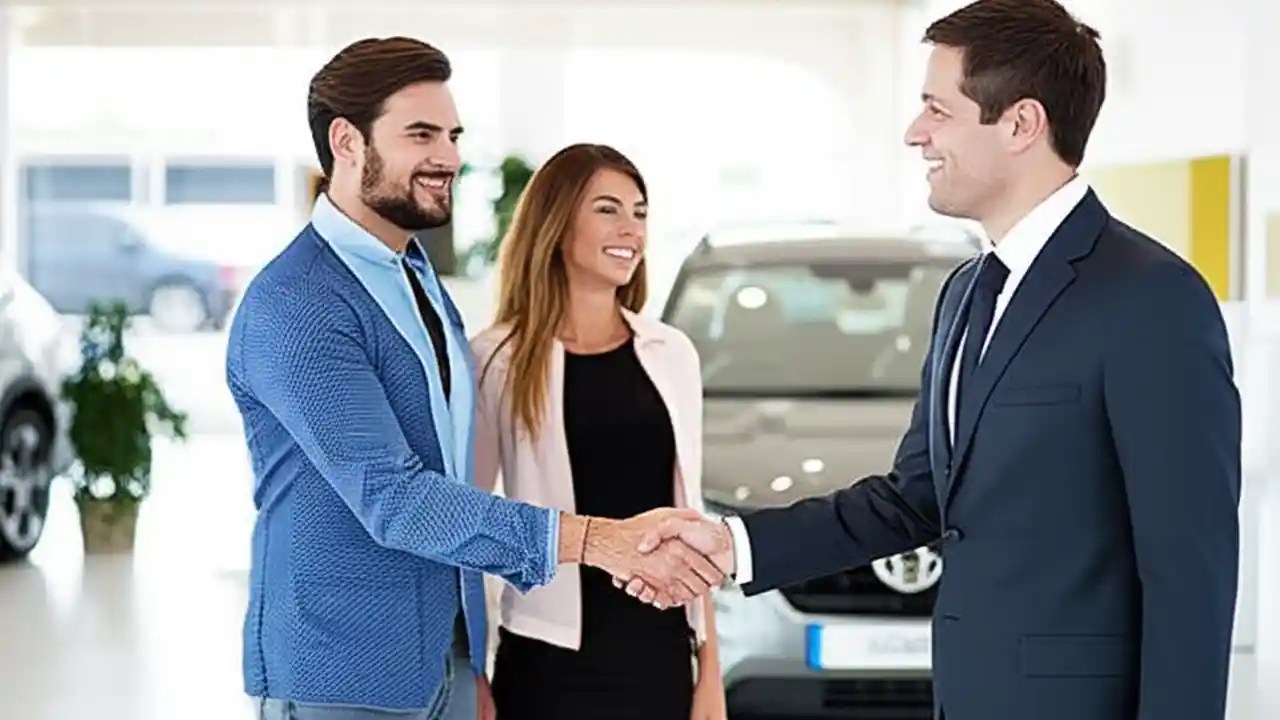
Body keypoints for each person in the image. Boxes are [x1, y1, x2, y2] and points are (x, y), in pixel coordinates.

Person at [632, 1, 1242, 719]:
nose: (915, 133)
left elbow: (1189, 573)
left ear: (1020, 124)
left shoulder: (1151, 298)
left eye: (937, 109)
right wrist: (732, 542)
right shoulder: (966, 292)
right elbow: (914, 498)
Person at [224, 37, 724, 720]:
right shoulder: (299, 303)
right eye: (421, 134)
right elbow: (394, 497)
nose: (450, 158)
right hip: (343, 676)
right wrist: (598, 540)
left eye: (453, 135)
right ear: (346, 142)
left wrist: (473, 657)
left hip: (445, 666)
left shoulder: (416, 280)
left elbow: (458, 483)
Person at [469, 143, 727, 719]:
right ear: (556, 223)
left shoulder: (671, 354)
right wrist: (472, 673)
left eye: (639, 212)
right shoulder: (497, 360)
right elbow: (469, 523)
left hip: (658, 654)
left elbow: (691, 520)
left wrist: (710, 672)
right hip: (543, 661)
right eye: (608, 209)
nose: (630, 229)